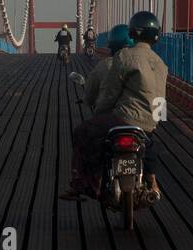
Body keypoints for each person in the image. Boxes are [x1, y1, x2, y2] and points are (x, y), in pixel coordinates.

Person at [61, 10, 167, 200]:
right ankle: (152, 184)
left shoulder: (125, 56)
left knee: (82, 132)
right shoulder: (161, 64)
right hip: (151, 121)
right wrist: (155, 121)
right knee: (149, 145)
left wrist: (99, 112)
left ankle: (81, 183)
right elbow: (161, 98)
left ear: (133, 32)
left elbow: (110, 92)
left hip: (125, 117)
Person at [83, 23, 132, 114]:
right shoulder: (150, 65)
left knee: (82, 128)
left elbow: (90, 94)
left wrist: (88, 100)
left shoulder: (105, 64)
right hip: (148, 122)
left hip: (114, 117)